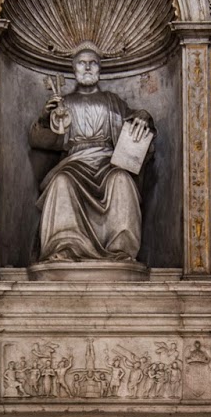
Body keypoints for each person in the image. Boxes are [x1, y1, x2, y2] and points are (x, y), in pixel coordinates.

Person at [29, 44, 154, 263]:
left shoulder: (113, 101)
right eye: (81, 63)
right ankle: (65, 247)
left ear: (99, 69)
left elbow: (136, 122)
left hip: (109, 162)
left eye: (93, 63)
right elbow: (41, 141)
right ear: (73, 68)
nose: (87, 67)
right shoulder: (63, 103)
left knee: (122, 181)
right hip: (75, 161)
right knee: (61, 182)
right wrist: (44, 119)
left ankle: (120, 250)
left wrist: (143, 115)